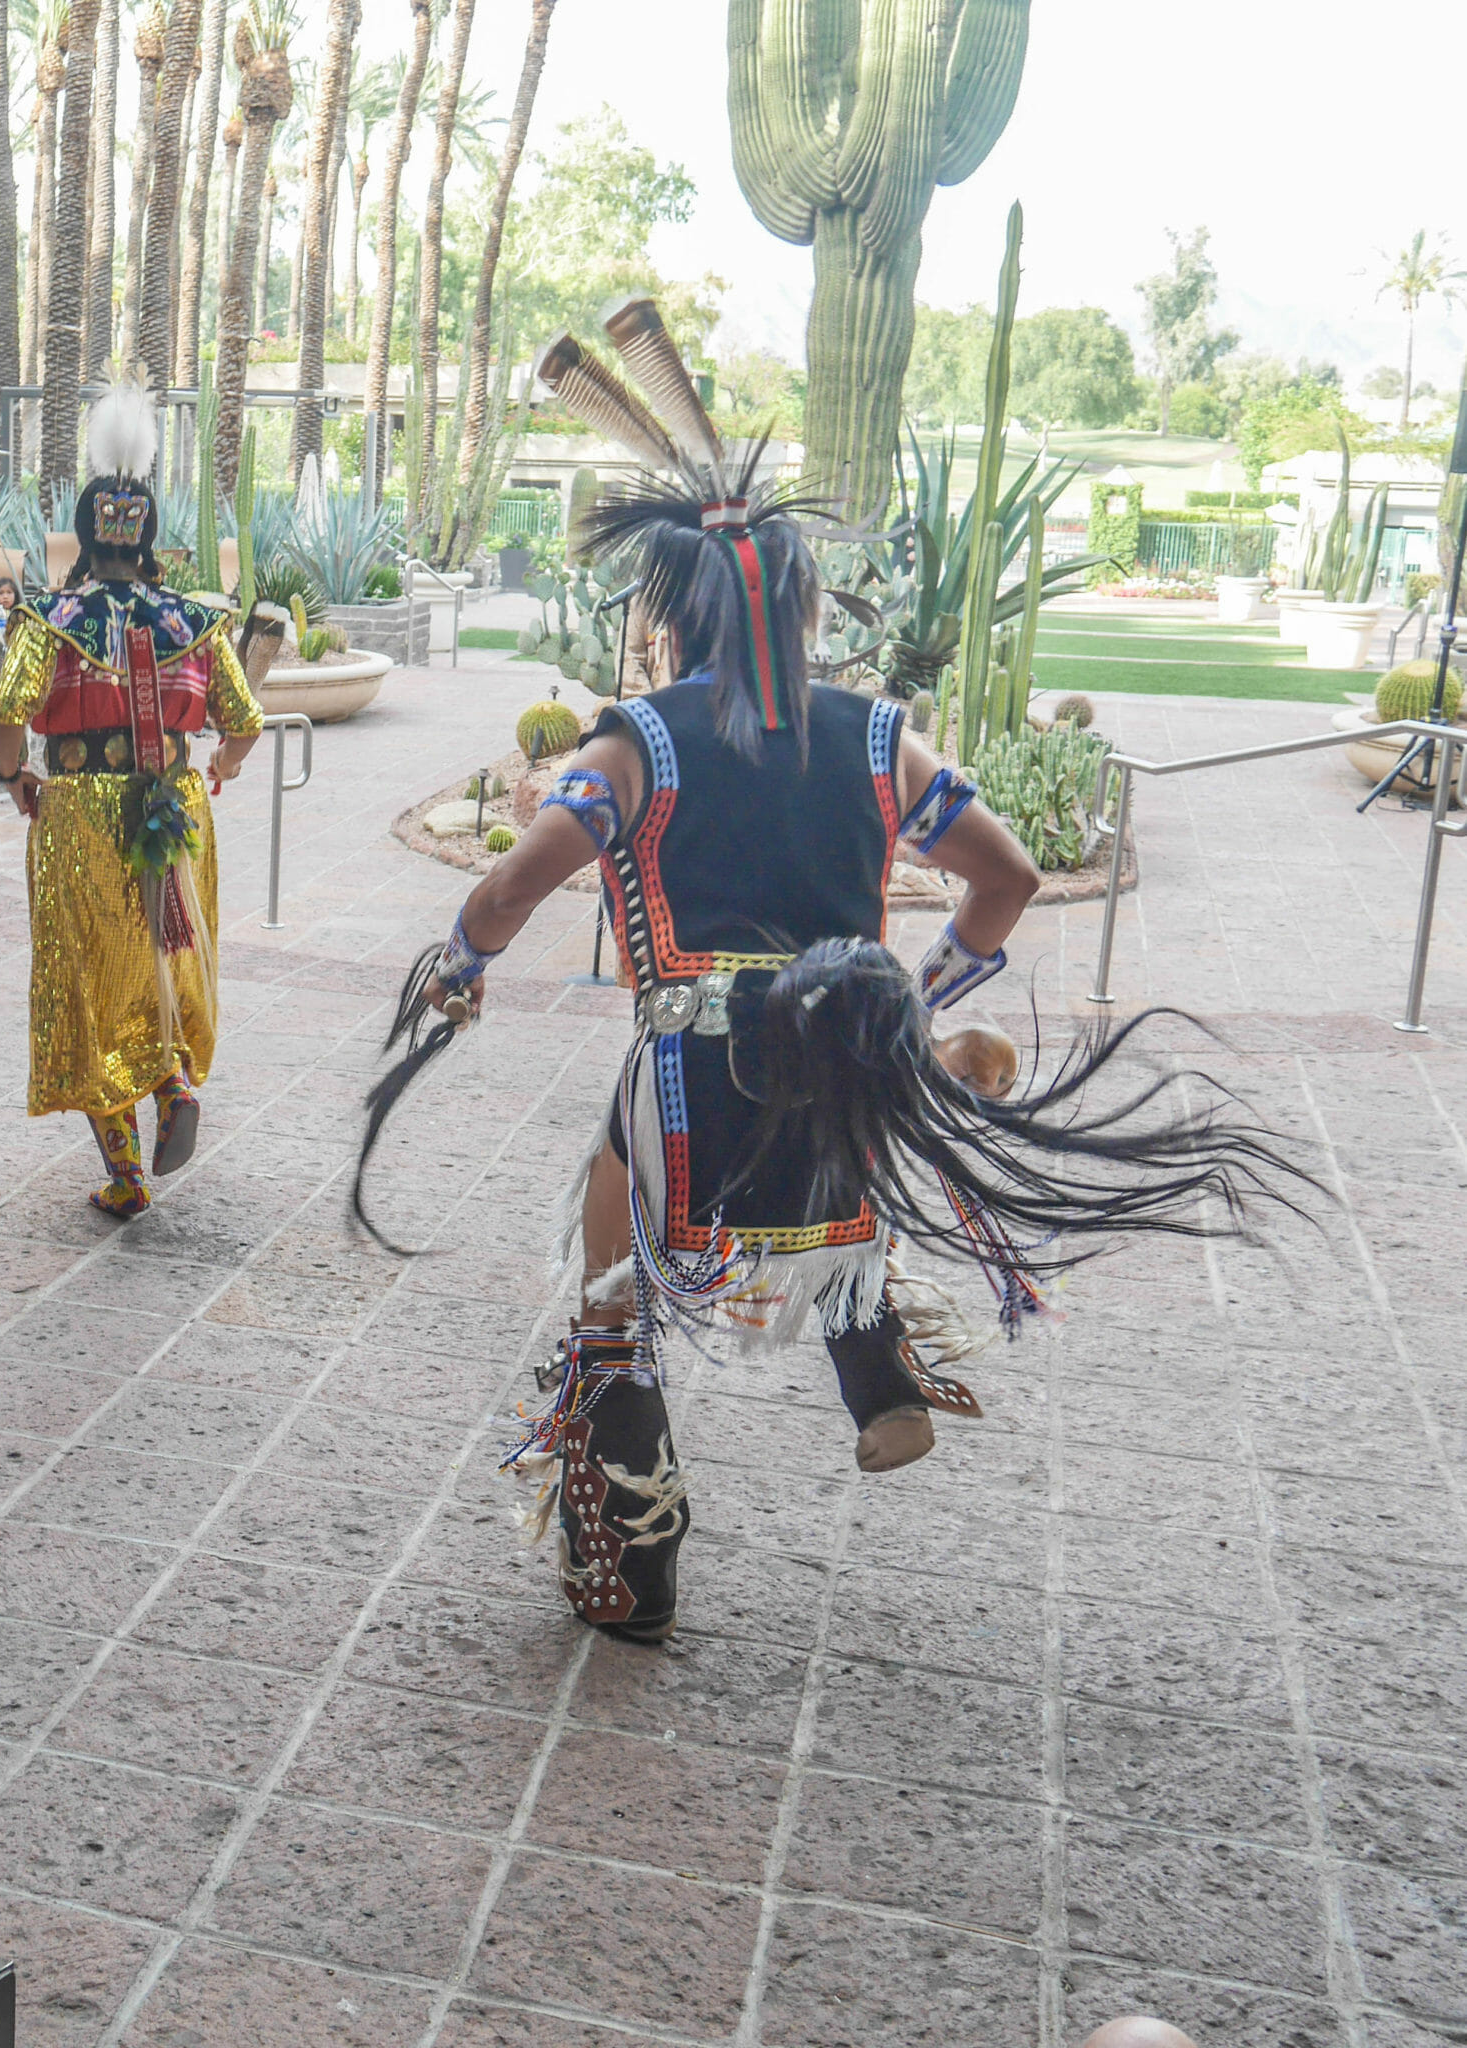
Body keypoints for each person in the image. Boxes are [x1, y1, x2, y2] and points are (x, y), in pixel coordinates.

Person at [372, 301, 1299, 1645]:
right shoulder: (877, 739)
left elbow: (512, 883)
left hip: (691, 1076)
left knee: (610, 1254)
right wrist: (900, 1012)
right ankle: (875, 1369)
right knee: (835, 1208)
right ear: (800, 607)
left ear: (668, 614)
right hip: (836, 1091)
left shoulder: (636, 741)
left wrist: (457, 966)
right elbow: (1006, 880)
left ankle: (632, 1563)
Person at [0, 387, 264, 1218]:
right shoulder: (196, 620)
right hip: (172, 809)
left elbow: (7, 711)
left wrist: (13, 780)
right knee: (160, 960)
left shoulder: (50, 616)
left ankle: (127, 1174)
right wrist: (220, 771)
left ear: (86, 529)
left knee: (87, 975)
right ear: (147, 535)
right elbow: (243, 724)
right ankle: (173, 1082)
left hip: (76, 813)